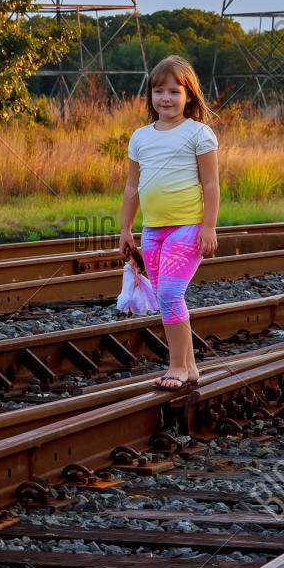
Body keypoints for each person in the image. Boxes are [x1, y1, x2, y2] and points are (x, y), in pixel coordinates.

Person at [118, 55, 220, 390]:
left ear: (189, 95)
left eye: (174, 91)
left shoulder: (199, 133)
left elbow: (210, 184)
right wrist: (125, 230)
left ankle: (175, 366)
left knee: (170, 293)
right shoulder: (140, 137)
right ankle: (189, 367)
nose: (166, 98)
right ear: (150, 96)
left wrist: (208, 226)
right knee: (168, 298)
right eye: (158, 91)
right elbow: (132, 187)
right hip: (152, 231)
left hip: (188, 227)